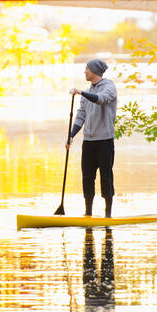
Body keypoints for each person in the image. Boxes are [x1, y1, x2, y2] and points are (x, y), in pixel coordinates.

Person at [66, 58, 118, 217]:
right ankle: (88, 213)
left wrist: (81, 92)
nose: (84, 72)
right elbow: (81, 115)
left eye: (86, 69)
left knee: (106, 177)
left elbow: (101, 99)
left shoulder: (109, 87)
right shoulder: (87, 91)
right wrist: (71, 135)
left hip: (104, 140)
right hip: (88, 142)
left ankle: (108, 214)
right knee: (87, 177)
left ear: (94, 71)